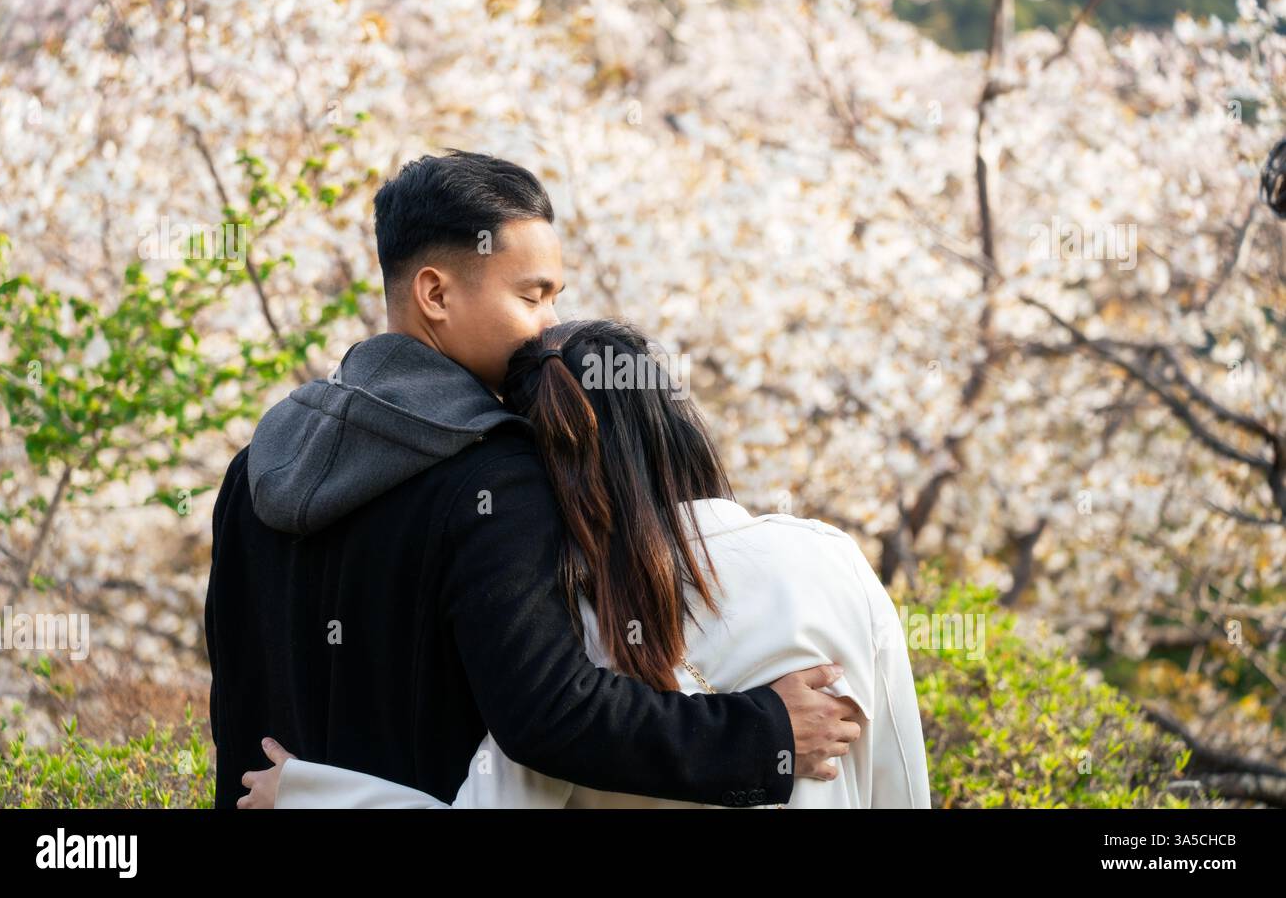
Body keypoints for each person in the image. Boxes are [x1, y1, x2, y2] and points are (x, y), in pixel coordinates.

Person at [205, 150, 860, 810]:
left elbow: (236, 693)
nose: (549, 325)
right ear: (435, 294)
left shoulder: (258, 461)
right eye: (531, 295)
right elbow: (550, 715)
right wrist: (763, 732)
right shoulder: (494, 477)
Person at [240, 320, 931, 809]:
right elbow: (898, 775)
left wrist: (312, 797)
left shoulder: (577, 627)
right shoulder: (831, 561)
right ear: (673, 421)